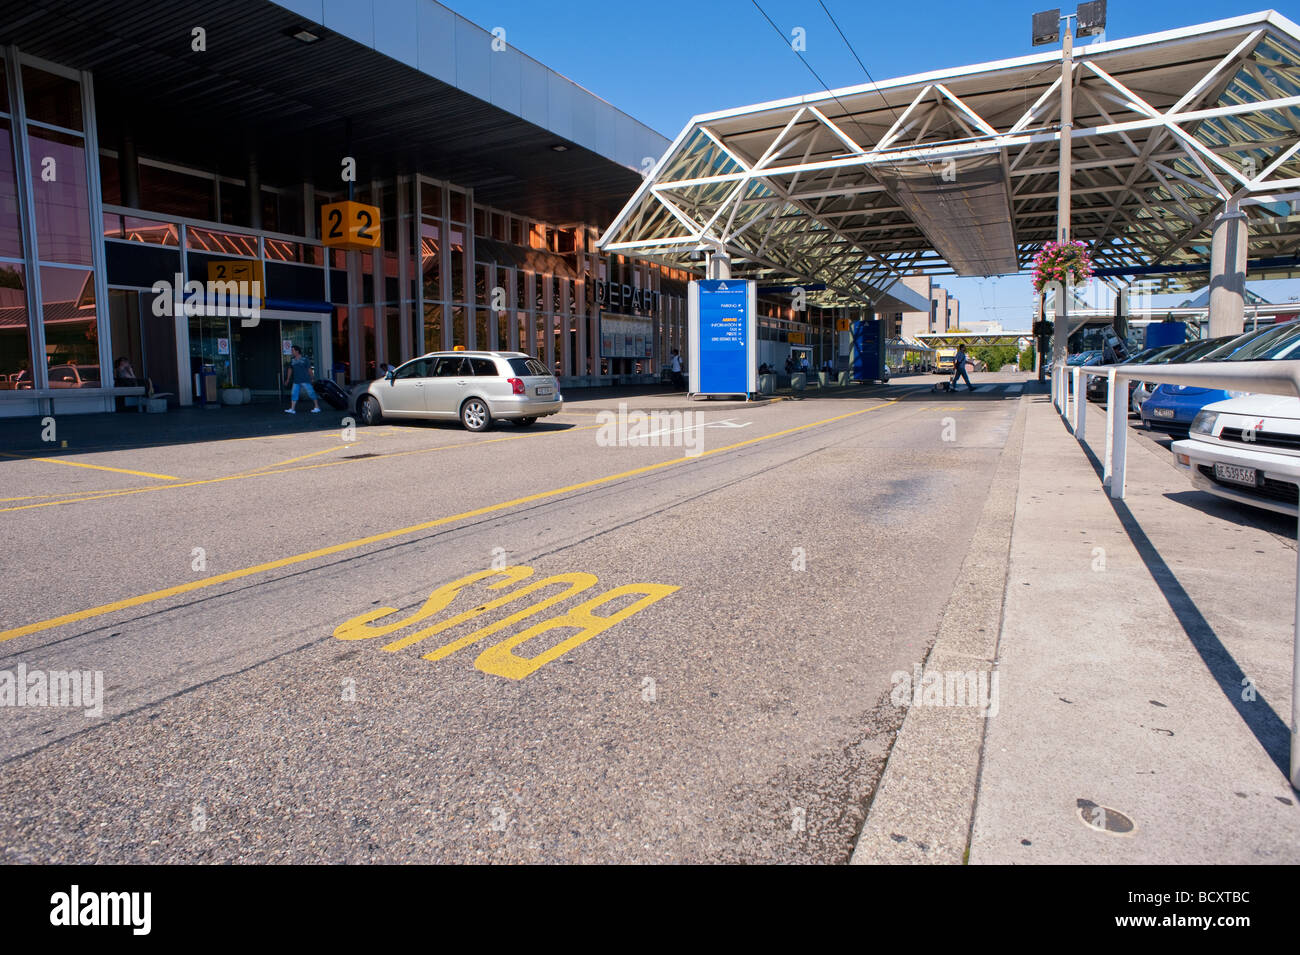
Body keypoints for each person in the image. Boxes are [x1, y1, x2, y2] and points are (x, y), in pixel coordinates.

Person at [284, 345, 321, 413]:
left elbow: (309, 369)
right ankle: (292, 409)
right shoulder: (292, 360)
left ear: (297, 351)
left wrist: (312, 378)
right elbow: (290, 370)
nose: (292, 352)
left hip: (305, 380)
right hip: (296, 381)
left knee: (311, 393)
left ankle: (317, 407)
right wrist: (288, 379)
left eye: (293, 350)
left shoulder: (305, 359)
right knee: (294, 394)